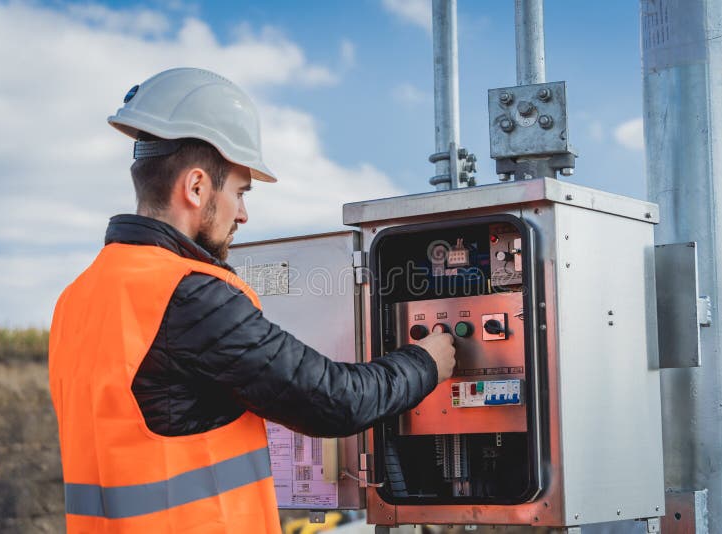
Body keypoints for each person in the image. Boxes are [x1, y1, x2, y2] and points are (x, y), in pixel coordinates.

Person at [48, 67, 456, 533]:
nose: (243, 213)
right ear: (197, 187)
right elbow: (335, 400)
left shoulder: (76, 299)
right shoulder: (187, 295)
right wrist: (426, 361)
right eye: (239, 192)